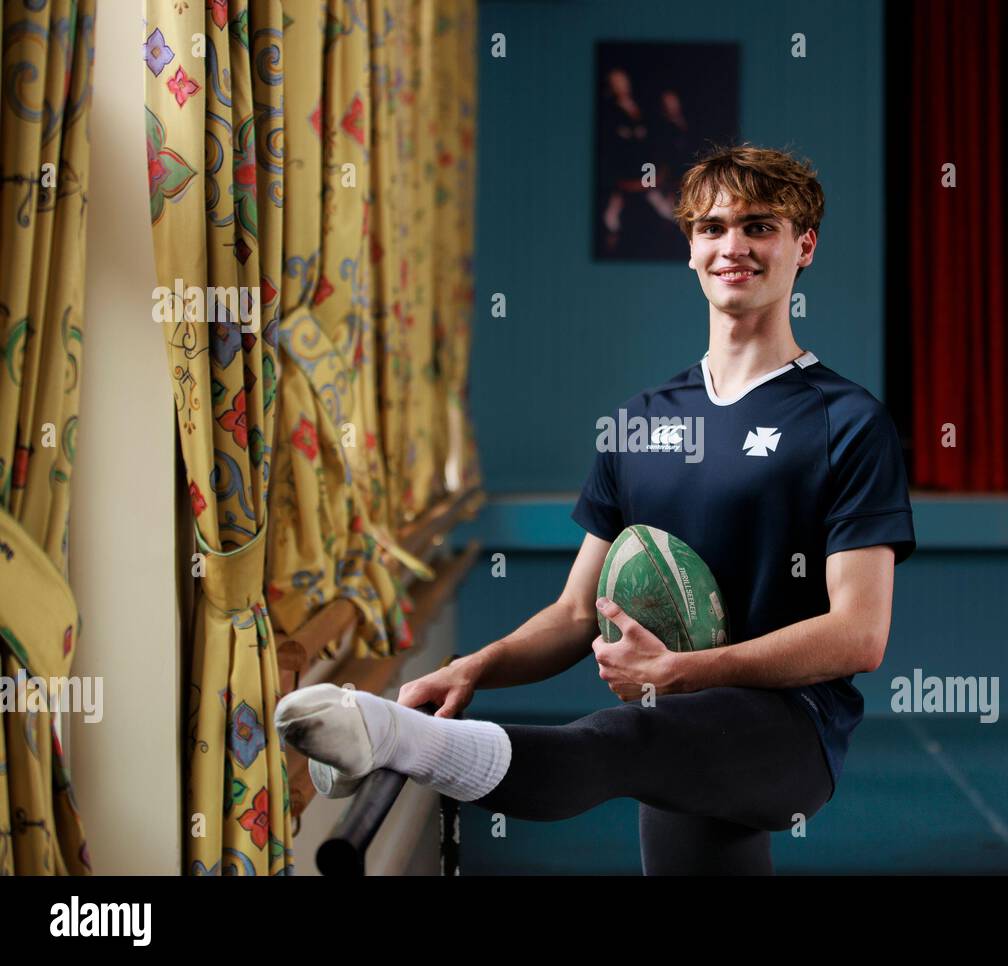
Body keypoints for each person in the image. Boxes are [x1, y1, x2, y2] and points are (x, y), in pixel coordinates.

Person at [276, 144, 917, 875]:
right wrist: (473, 669)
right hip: (678, 725)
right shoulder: (641, 421)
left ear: (803, 246)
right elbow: (578, 614)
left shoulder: (847, 421)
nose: (732, 246)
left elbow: (859, 634)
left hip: (789, 731)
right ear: (689, 249)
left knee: (615, 741)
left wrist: (685, 671)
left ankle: (394, 738)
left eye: (759, 226)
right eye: (710, 228)